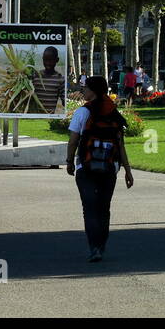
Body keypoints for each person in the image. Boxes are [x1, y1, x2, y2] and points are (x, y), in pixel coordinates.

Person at [66, 75, 134, 262]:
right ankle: (101, 245)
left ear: (94, 90)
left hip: (86, 166)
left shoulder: (83, 112)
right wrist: (127, 171)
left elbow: (73, 141)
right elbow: (120, 145)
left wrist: (70, 161)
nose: (83, 91)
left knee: (89, 208)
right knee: (104, 208)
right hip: (109, 167)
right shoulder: (113, 112)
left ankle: (94, 247)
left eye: (86, 88)